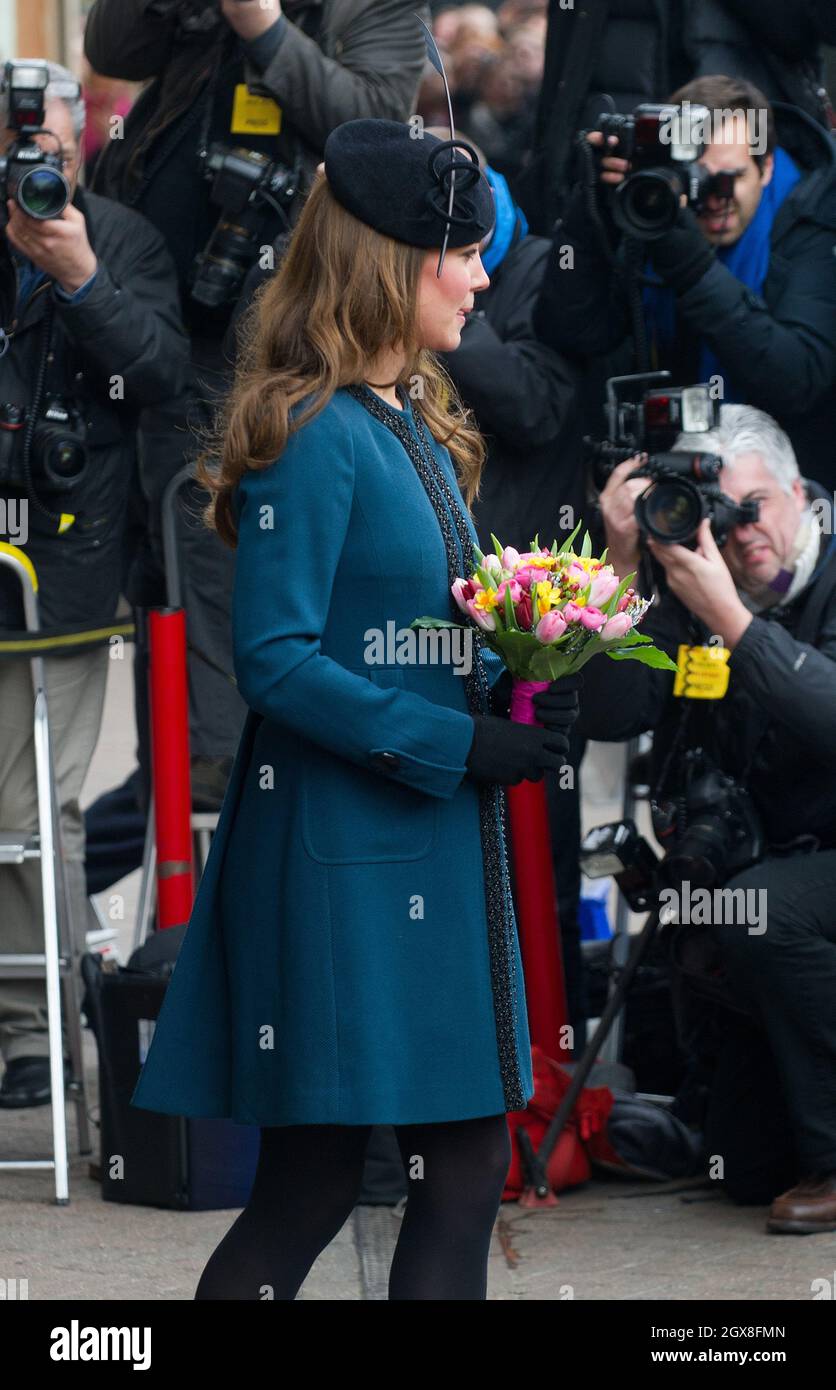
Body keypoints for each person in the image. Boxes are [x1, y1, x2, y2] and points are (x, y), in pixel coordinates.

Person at [129, 118, 581, 1300]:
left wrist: (524, 673)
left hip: (412, 845)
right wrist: (456, 739)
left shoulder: (407, 417)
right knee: (331, 1182)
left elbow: (413, 624)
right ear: (390, 261)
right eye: (464, 252)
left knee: (427, 1166)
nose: (484, 275)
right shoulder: (318, 430)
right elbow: (275, 662)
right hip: (343, 858)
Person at [84, 0, 431, 811]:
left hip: (269, 332)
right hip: (150, 314)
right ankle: (175, 800)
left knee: (221, 549)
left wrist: (262, 25)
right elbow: (111, 47)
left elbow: (375, 124)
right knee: (162, 564)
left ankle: (223, 791)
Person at [577, 404, 836, 1233]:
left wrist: (736, 622)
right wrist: (621, 566)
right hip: (779, 866)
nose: (742, 531)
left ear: (799, 489)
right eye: (720, 515)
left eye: (755, 505)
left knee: (763, 913)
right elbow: (614, 713)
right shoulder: (698, 581)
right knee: (745, 1168)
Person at [0, 62, 188, 1107]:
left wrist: (78, 278)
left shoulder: (118, 237)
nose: (36, 174)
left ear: (84, 147)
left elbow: (158, 376)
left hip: (64, 562)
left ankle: (39, 1023)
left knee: (34, 804)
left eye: (53, 156)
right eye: (18, 156)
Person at [535, 74, 836, 489]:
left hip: (785, 486)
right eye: (695, 177)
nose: (712, 197)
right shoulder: (656, 214)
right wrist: (592, 213)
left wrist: (694, 271)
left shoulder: (814, 221)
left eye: (728, 180)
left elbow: (798, 378)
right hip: (671, 478)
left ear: (766, 167)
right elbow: (571, 334)